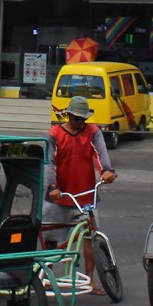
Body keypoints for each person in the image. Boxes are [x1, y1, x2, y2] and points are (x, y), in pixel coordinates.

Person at [45, 95, 117, 295]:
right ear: (69, 116)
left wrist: (106, 171)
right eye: (77, 118)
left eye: (83, 119)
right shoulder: (54, 134)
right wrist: (52, 187)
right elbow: (48, 162)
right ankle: (46, 277)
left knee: (89, 237)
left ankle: (90, 280)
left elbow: (101, 154)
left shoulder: (93, 132)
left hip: (86, 195)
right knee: (50, 237)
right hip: (59, 194)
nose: (80, 122)